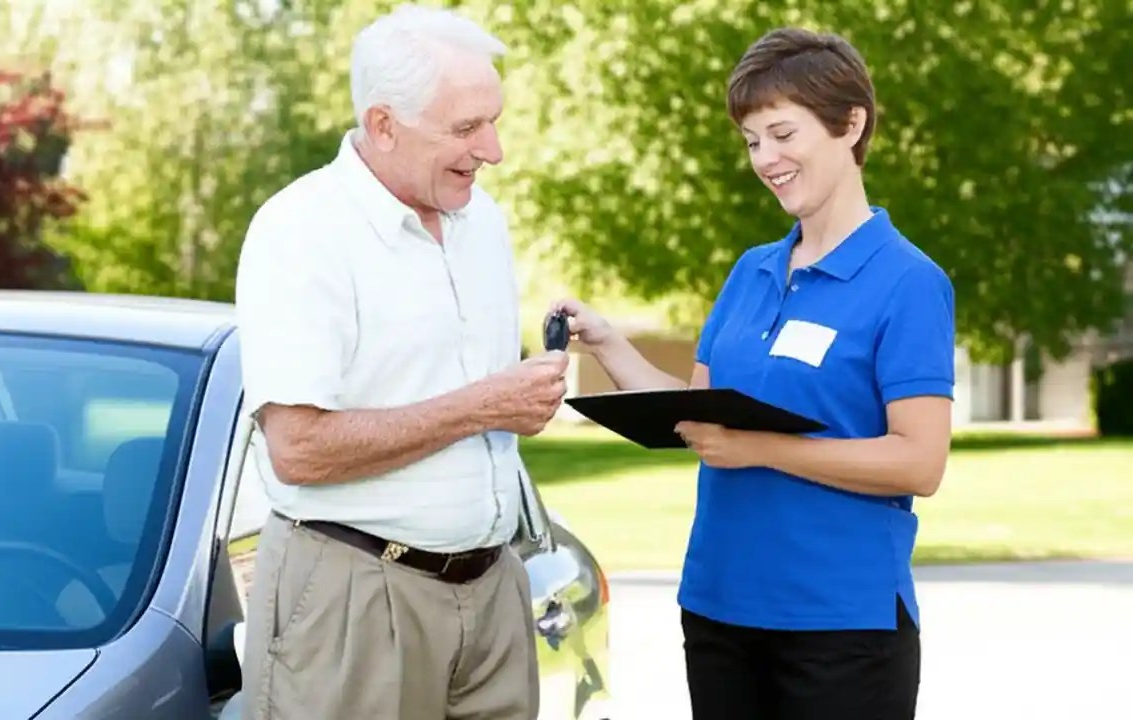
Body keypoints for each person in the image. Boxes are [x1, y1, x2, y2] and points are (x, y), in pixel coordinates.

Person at [552, 27, 955, 720]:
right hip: (719, 609)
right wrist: (609, 344)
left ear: (850, 124)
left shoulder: (908, 283)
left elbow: (919, 461)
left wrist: (761, 450)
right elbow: (704, 410)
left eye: (781, 133)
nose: (765, 159)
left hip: (840, 626)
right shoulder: (752, 270)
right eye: (751, 141)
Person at [233, 5, 567, 720]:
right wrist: (482, 405)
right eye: (466, 128)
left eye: (494, 120)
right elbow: (298, 450)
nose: (495, 150)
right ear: (384, 125)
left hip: (495, 596)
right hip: (357, 602)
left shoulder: (485, 223)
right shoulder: (301, 231)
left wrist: (514, 400)